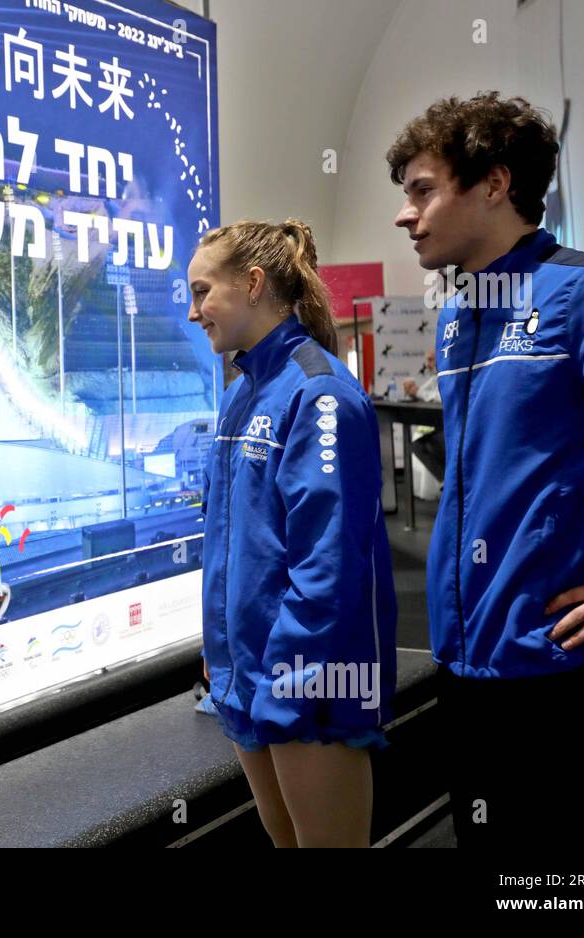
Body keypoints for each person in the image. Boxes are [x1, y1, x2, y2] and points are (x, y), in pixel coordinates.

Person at [388, 91, 584, 847]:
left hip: (572, 680)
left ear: (493, 183)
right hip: (474, 674)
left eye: (423, 190)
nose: (404, 213)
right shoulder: (459, 319)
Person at [190, 218, 397, 847]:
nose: (195, 312)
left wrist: (292, 681)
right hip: (247, 678)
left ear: (253, 284)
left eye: (203, 292)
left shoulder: (320, 392)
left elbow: (327, 565)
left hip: (310, 686)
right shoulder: (240, 393)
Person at [401, 350, 445, 484]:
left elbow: (439, 397)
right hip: (441, 427)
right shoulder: (434, 378)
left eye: (431, 360)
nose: (428, 364)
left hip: (454, 430)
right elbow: (423, 392)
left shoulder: (448, 377)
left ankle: (448, 481)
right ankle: (446, 481)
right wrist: (412, 391)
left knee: (422, 444)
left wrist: (417, 392)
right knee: (417, 445)